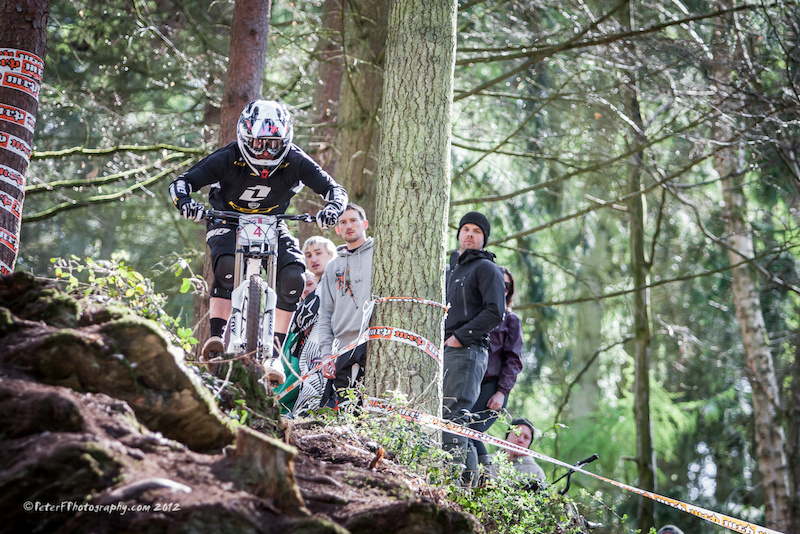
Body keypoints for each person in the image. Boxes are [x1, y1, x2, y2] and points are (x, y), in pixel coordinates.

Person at [168, 100, 348, 371]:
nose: (265, 152)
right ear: (244, 137)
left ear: (285, 140)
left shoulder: (295, 160)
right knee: (226, 265)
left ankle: (275, 354)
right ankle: (216, 335)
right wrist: (186, 204)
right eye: (258, 143)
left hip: (274, 222)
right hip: (228, 219)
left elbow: (336, 190)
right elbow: (181, 183)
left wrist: (332, 209)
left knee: (293, 280)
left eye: (273, 145)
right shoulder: (227, 157)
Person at [443, 211, 506, 484]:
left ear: (484, 239)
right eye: (465, 229)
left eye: (477, 231)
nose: (470, 234)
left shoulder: (486, 268)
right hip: (445, 351)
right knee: (447, 419)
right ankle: (468, 486)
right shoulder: (452, 269)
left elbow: (496, 312)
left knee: (453, 419)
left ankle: (453, 486)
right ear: (458, 234)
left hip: (468, 352)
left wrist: (460, 336)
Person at [318, 204, 373, 409]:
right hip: (344, 347)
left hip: (374, 342)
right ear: (337, 229)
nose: (348, 225)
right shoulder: (333, 267)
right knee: (343, 410)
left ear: (364, 224)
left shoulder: (380, 255)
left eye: (353, 220)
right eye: (343, 222)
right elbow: (325, 314)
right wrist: (326, 353)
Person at [275, 236, 337, 415]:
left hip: (328, 345)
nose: (313, 259)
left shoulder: (333, 280)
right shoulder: (311, 291)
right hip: (309, 353)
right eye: (308, 255)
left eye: (318, 253)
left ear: (330, 254)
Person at [469, 266, 524, 466]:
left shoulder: (511, 321)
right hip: (467, 379)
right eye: (497, 283)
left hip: (492, 387)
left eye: (506, 285)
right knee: (455, 427)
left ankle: (484, 477)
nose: (502, 288)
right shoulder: (472, 313)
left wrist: (501, 392)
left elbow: (514, 360)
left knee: (470, 430)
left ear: (509, 291)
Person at [487, 417, 546, 489]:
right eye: (517, 434)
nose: (521, 440)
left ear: (529, 444)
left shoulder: (536, 472)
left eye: (526, 437)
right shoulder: (488, 461)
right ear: (507, 437)